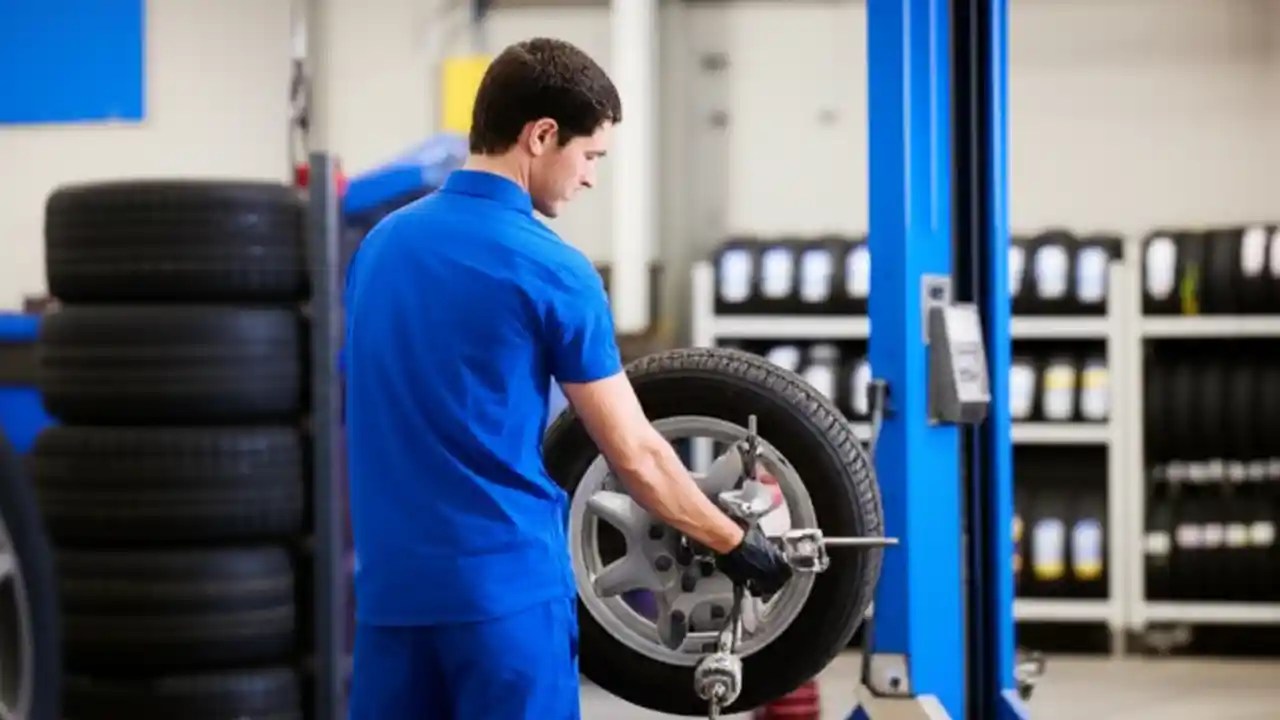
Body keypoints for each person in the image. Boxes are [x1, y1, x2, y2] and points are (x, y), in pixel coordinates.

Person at [343, 37, 793, 720]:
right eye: (589, 156)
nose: (589, 178)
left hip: (389, 602)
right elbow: (636, 456)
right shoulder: (552, 268)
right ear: (541, 135)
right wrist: (734, 543)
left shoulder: (380, 248)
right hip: (504, 603)